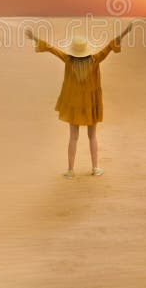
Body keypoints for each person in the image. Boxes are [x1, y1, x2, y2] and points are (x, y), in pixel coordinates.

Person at [25, 23, 134, 178]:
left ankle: (70, 170)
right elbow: (111, 44)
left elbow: (50, 48)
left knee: (73, 137)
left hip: (75, 106)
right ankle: (95, 168)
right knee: (92, 136)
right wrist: (125, 32)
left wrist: (33, 37)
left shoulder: (69, 61)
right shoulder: (95, 59)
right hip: (90, 105)